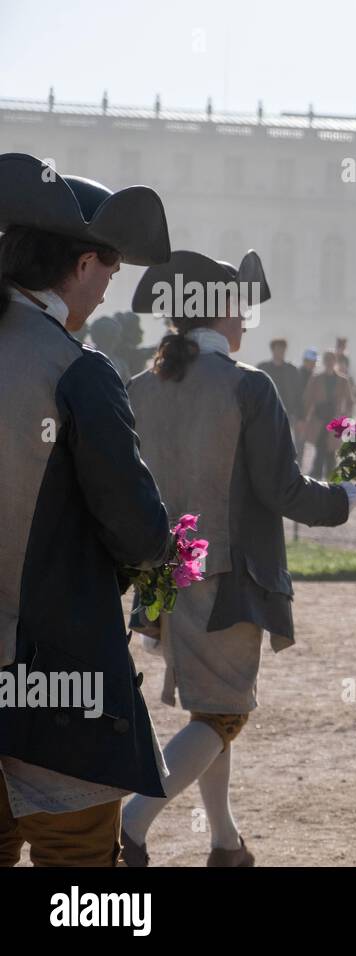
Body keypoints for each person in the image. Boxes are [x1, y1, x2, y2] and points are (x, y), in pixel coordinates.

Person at [122, 250, 356, 867]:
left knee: (212, 708)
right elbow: (284, 491)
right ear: (217, 311)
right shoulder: (249, 384)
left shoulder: (138, 386)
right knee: (222, 715)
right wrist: (355, 494)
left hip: (163, 573)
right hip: (227, 574)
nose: (247, 319)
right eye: (241, 306)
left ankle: (225, 843)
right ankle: (133, 825)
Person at [0, 152, 173, 866]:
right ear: (80, 266)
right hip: (54, 678)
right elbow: (138, 530)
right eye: (109, 270)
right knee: (80, 881)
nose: (107, 292)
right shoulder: (78, 370)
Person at [302, 350, 353, 479]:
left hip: (334, 419)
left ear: (335, 361)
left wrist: (345, 418)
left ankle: (329, 477)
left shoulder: (342, 380)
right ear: (324, 362)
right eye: (327, 360)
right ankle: (317, 475)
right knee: (320, 447)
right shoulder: (316, 378)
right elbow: (308, 398)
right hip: (319, 418)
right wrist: (305, 418)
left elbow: (349, 401)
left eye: (331, 360)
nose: (329, 362)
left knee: (331, 450)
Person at [256, 338, 302, 427]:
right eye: (278, 349)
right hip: (266, 411)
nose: (281, 351)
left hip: (287, 412)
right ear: (272, 350)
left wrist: (299, 415)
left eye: (283, 349)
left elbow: (298, 392)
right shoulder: (263, 368)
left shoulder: (292, 370)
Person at [295, 347, 318, 461]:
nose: (313, 364)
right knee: (298, 444)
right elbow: (298, 398)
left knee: (302, 444)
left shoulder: (314, 376)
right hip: (299, 415)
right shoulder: (299, 375)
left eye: (314, 362)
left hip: (308, 416)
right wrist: (300, 417)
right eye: (311, 362)